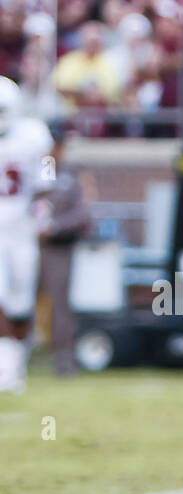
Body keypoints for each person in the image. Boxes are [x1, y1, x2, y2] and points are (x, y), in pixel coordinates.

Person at [0, 77, 54, 395]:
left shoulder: (32, 135)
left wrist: (44, 213)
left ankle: (14, 365)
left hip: (21, 230)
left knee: (21, 302)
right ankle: (6, 366)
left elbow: (47, 174)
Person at [33, 126, 94, 378]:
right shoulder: (35, 171)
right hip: (27, 244)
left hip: (57, 248)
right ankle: (15, 356)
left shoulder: (71, 175)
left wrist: (54, 228)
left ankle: (63, 360)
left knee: (59, 306)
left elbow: (83, 214)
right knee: (16, 299)